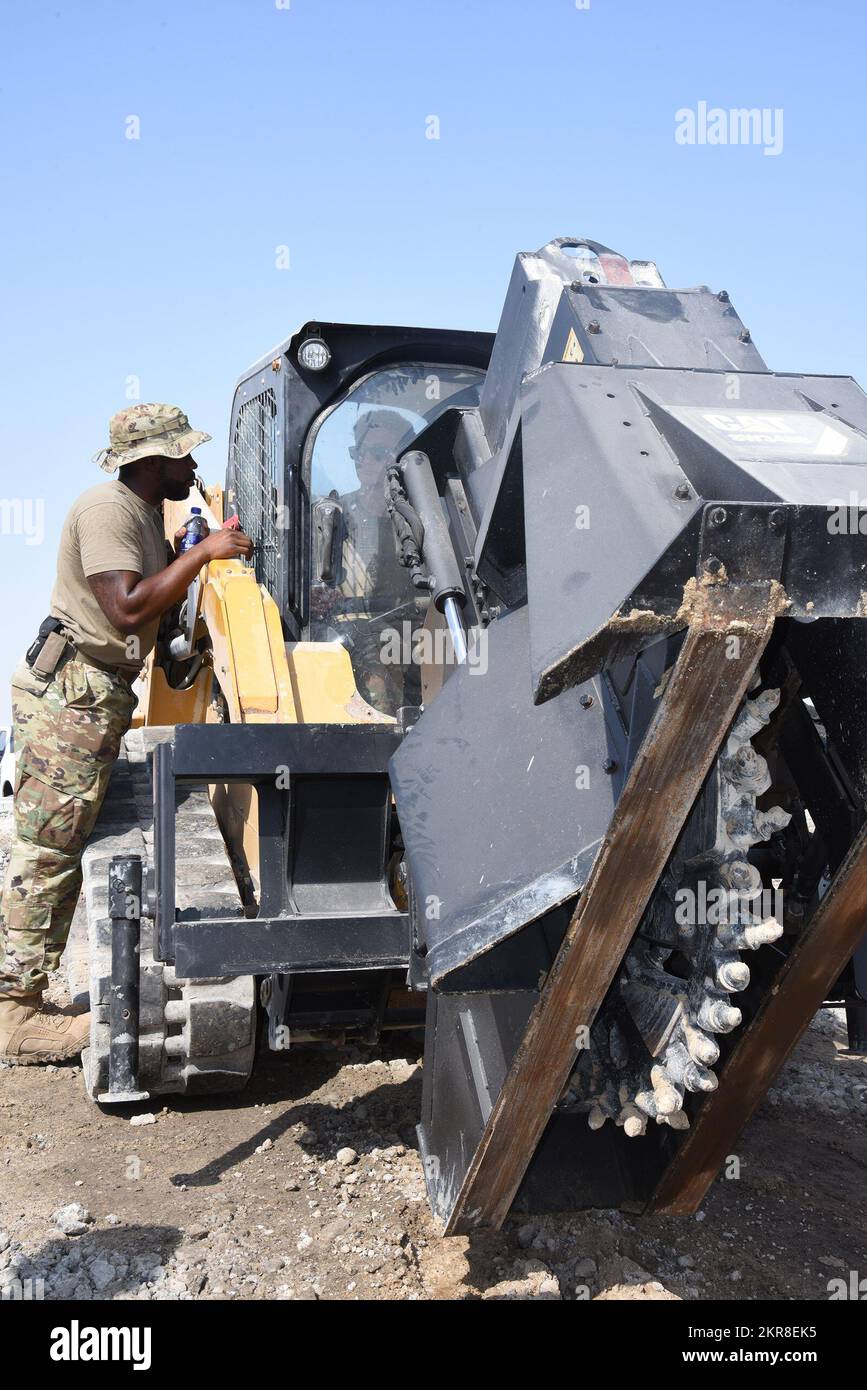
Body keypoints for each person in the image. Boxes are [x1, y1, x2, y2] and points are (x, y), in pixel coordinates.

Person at [0, 403, 253, 1063]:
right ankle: (14, 1016)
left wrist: (183, 555)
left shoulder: (141, 517)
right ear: (151, 461)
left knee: (60, 842)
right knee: (48, 850)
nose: (191, 465)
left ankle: (24, 1001)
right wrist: (201, 554)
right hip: (72, 696)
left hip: (95, 694)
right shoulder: (107, 510)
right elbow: (127, 605)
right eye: (182, 455)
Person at [312, 409, 422, 713]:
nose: (364, 461)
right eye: (359, 453)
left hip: (417, 639)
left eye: (375, 453)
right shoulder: (335, 517)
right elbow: (309, 584)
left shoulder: (420, 519)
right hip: (350, 645)